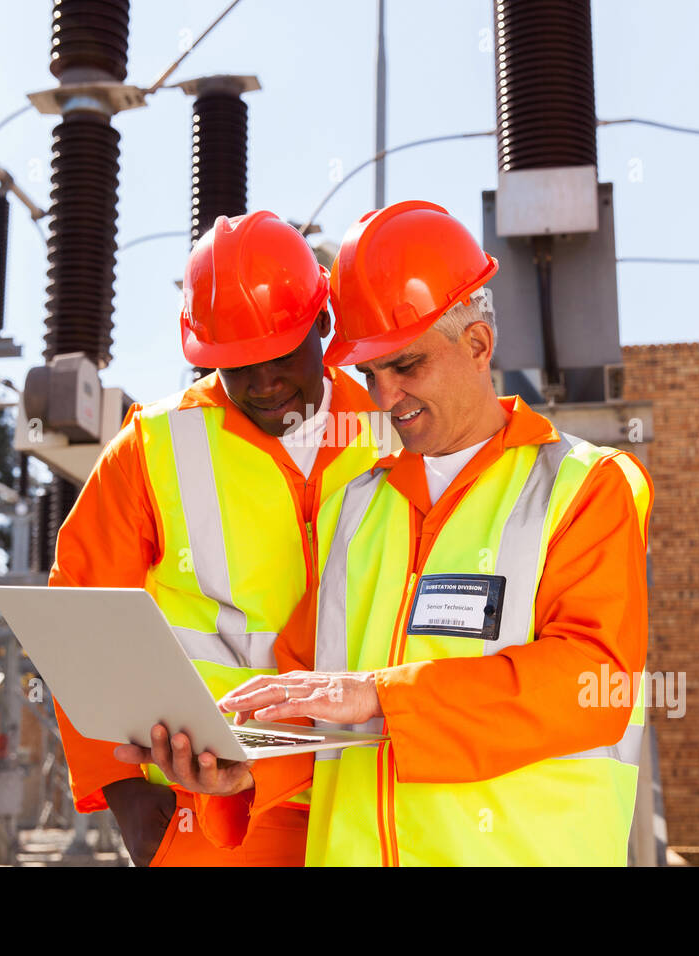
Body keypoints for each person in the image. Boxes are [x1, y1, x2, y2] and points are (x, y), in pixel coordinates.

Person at [161, 199, 654, 865]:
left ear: (476, 344)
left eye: (406, 365)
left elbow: (595, 682)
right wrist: (245, 770)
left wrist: (381, 695)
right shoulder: (356, 508)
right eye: (369, 372)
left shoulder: (586, 486)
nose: (384, 395)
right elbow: (306, 696)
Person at [49, 210, 386, 866]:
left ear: (323, 323)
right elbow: (78, 614)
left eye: (281, 354)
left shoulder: (395, 437)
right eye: (237, 363)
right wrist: (125, 796)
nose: (264, 382)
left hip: (366, 797)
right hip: (212, 812)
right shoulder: (154, 447)